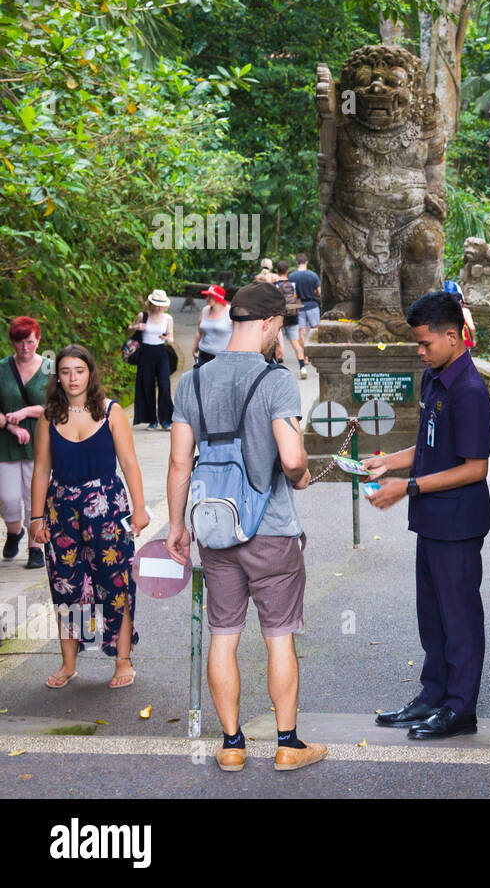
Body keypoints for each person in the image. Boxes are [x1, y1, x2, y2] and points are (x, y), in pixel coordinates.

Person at [165, 282, 325, 772]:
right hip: (271, 528)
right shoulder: (276, 380)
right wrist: (299, 478)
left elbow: (177, 464)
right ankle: (286, 743)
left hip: (214, 528)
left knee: (223, 636)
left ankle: (232, 745)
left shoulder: (190, 382)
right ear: (272, 323)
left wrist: (178, 526)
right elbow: (293, 456)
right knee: (278, 636)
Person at [366, 291, 490, 740]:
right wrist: (389, 463)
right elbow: (429, 443)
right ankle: (432, 696)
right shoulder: (433, 377)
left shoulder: (471, 391)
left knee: (459, 619)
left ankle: (461, 709)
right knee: (432, 616)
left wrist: (409, 487)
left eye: (425, 344)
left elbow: (474, 467)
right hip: (431, 521)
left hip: (458, 525)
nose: (420, 352)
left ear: (454, 337)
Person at [30, 344, 149, 689]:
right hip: (61, 510)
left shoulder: (111, 412)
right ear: (58, 377)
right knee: (66, 585)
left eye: (79, 371)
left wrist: (139, 509)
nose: (72, 378)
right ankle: (69, 663)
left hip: (108, 509)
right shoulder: (49, 417)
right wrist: (36, 519)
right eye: (65, 372)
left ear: (90, 373)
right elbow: (41, 470)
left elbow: (129, 463)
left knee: (116, 584)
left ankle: (122, 659)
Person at [1, 317, 53, 569]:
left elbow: (61, 405)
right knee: (8, 498)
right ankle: (14, 532)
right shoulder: (2, 369)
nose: (25, 348)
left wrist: (28, 412)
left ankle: (36, 547)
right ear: (12, 342)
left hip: (41, 442)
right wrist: (9, 424)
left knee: (36, 497)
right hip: (6, 444)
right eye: (20, 342)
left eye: (30, 342)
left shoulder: (50, 368)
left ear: (38, 340)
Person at [130, 289, 175, 431]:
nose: (159, 307)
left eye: (161, 304)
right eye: (156, 304)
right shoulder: (143, 315)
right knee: (147, 386)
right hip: (145, 353)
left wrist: (166, 338)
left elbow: (172, 339)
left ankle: (166, 419)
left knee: (164, 385)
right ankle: (152, 420)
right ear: (151, 303)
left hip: (161, 353)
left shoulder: (168, 318)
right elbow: (129, 329)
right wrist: (137, 326)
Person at [273, 260, 308, 379]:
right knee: (296, 343)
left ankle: (275, 370)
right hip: (293, 316)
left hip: (279, 317)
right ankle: (302, 367)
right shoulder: (293, 284)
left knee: (276, 344)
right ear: (288, 271)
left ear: (277, 271)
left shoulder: (275, 285)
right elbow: (297, 300)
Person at [191, 285, 232, 368]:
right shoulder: (205, 310)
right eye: (207, 296)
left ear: (218, 297)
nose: (207, 298)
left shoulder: (230, 311)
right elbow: (199, 332)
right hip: (203, 355)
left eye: (211, 296)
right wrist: (194, 350)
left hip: (222, 359)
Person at [288, 253, 322, 341]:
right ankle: (314, 351)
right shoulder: (313, 275)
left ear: (296, 262)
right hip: (312, 305)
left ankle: (304, 353)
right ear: (306, 262)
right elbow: (319, 292)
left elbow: (291, 294)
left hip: (299, 306)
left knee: (301, 331)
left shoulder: (291, 276)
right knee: (315, 329)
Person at [443, 280, 476, 349]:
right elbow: (472, 327)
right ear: (461, 301)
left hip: (447, 341)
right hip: (462, 341)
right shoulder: (464, 311)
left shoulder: (444, 311)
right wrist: (474, 339)